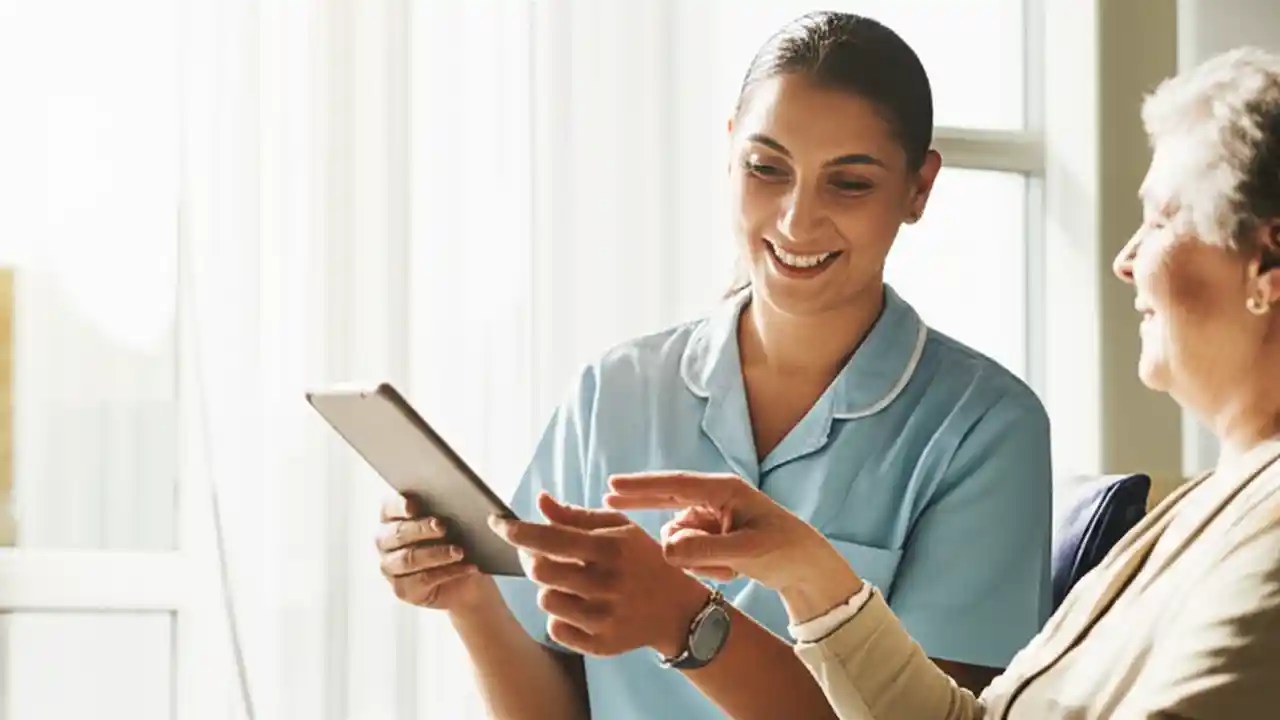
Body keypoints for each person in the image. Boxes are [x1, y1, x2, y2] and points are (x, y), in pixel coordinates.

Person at [378, 11, 1054, 720]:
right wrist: (469, 598)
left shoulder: (983, 429)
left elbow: (930, 716)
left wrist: (685, 622)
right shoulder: (615, 392)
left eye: (849, 183)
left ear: (919, 188)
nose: (796, 221)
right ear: (730, 151)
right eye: (767, 169)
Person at [600, 45, 1280, 720]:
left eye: (1162, 219)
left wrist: (693, 624)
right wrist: (804, 567)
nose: (1126, 260)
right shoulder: (1207, 506)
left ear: (1266, 265)